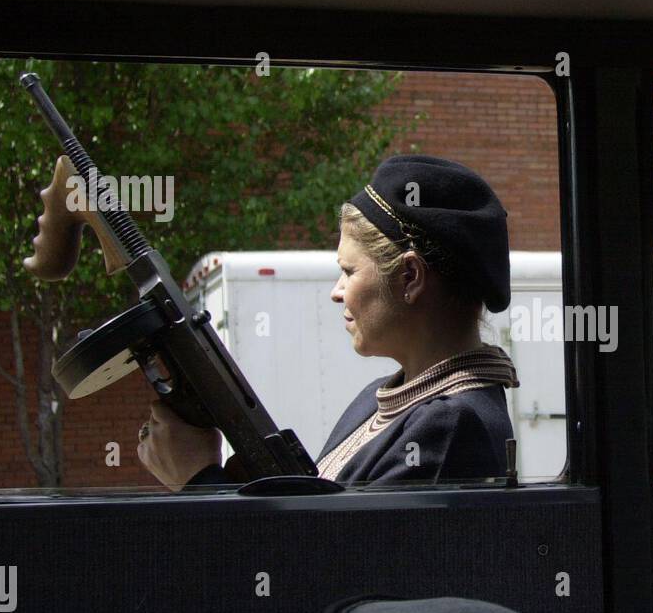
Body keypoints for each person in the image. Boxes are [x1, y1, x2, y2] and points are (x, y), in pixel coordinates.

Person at [138, 155, 520, 489]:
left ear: (410, 277)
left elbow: (332, 567)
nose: (337, 292)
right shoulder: (378, 401)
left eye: (349, 271)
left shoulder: (450, 426)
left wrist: (200, 481)